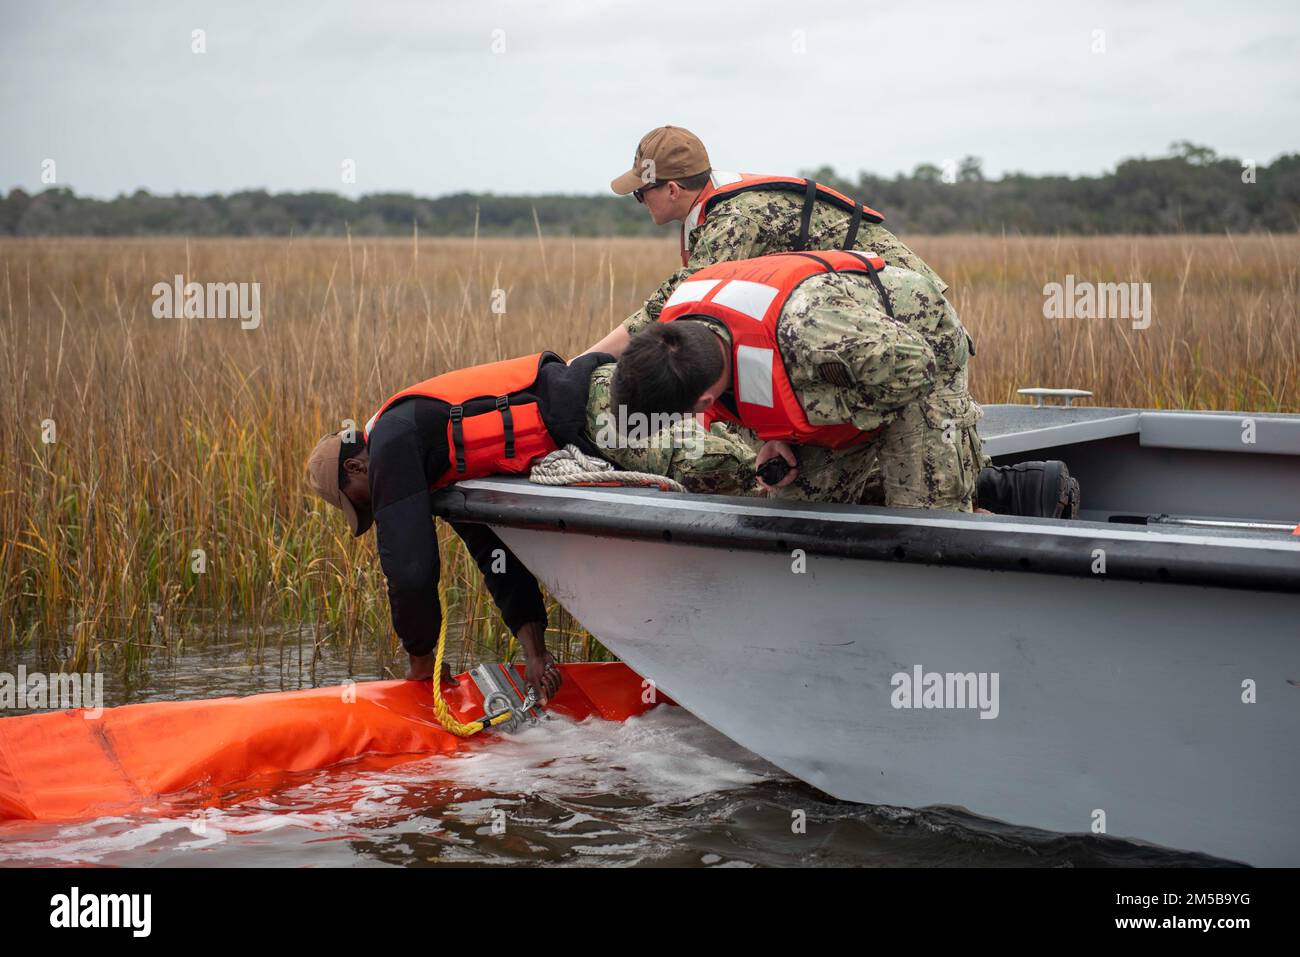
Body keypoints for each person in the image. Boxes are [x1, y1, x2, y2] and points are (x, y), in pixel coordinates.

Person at [306, 352, 756, 702]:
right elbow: (496, 559)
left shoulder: (394, 439)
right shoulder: (437, 458)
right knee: (731, 454)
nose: (378, 504)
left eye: (363, 500)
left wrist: (421, 664)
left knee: (733, 469)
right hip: (586, 418)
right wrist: (535, 653)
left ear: (358, 466)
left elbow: (410, 570)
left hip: (593, 405)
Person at [611, 249, 986, 510]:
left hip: (915, 347)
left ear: (704, 402)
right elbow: (764, 380)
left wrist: (817, 420)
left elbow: (916, 366)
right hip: (837, 365)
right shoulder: (685, 334)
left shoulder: (810, 329)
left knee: (920, 522)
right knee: (796, 515)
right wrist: (778, 436)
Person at [583, 125, 946, 360]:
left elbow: (678, 304)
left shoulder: (734, 221)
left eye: (641, 194)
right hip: (864, 304)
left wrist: (587, 361)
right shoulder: (711, 204)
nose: (641, 202)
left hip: (907, 304)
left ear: (673, 190)